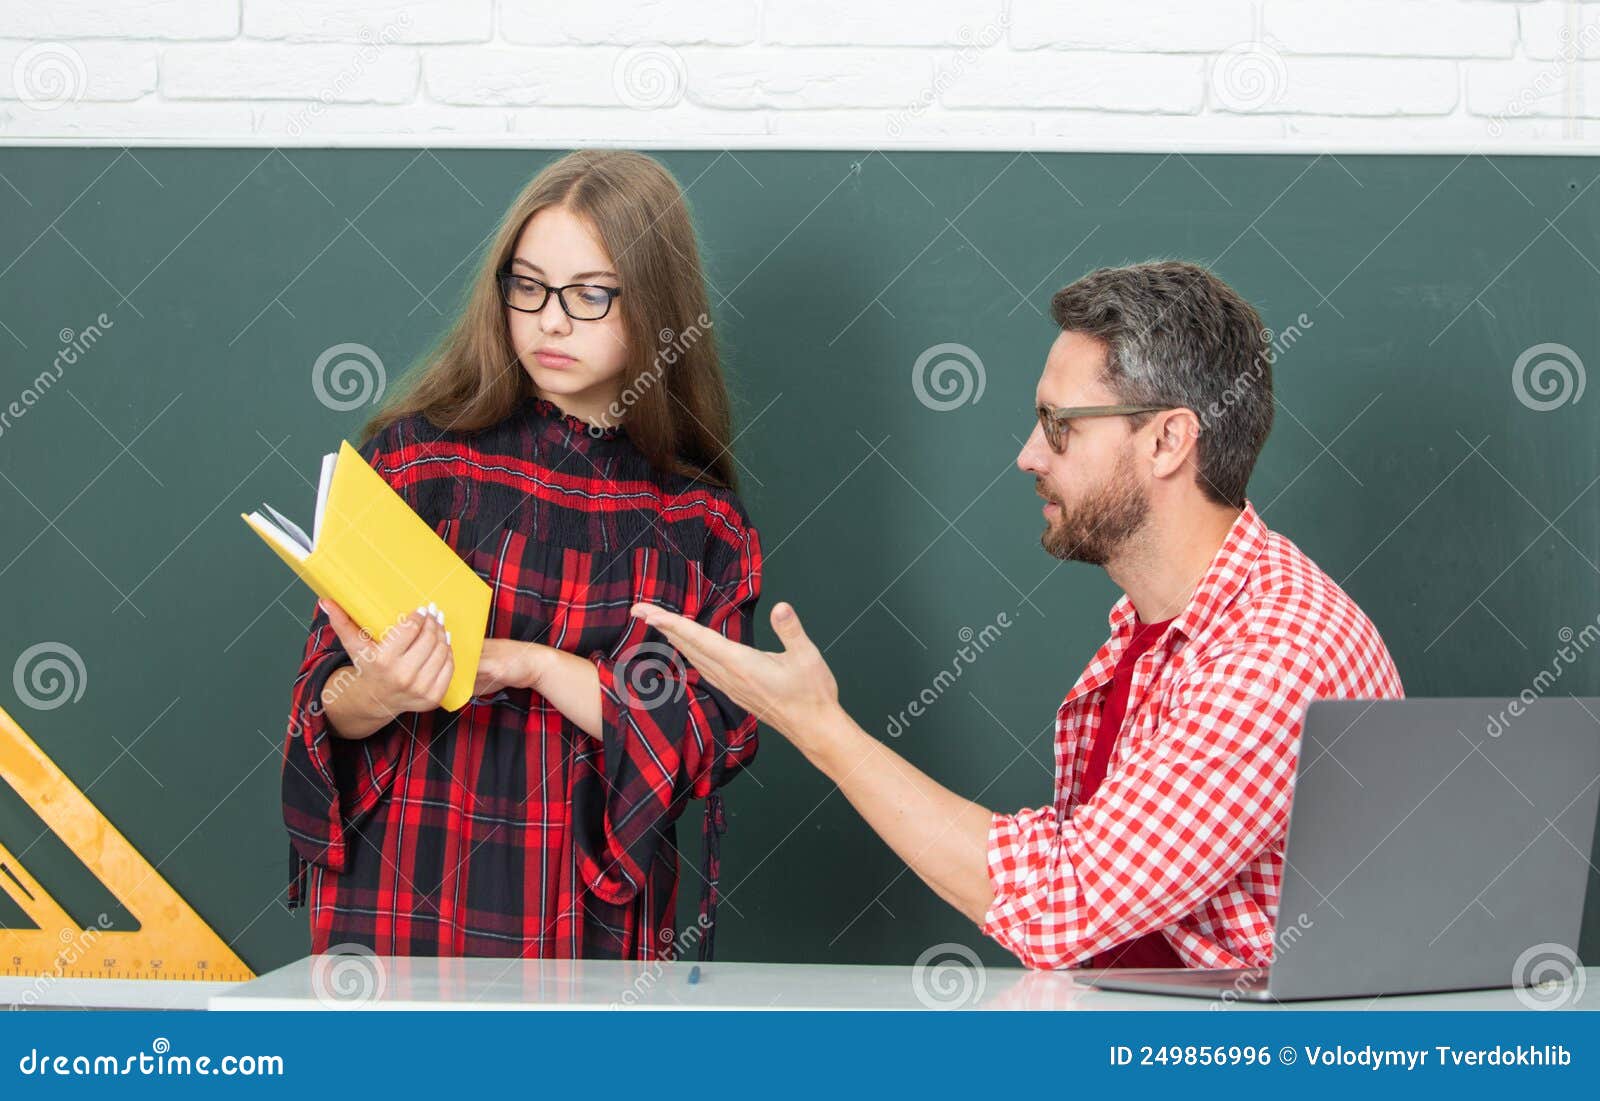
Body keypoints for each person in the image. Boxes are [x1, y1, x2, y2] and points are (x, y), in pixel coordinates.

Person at [631, 260, 1405, 970]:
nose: (1030, 454)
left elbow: (1064, 901)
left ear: (1169, 438)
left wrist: (821, 728)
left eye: (1060, 423)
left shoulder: (1277, 649)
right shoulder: (1154, 633)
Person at [280, 149, 761, 959]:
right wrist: (382, 687)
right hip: (398, 910)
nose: (551, 321)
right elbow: (320, 708)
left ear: (656, 301)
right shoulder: (417, 462)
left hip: (591, 935)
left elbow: (712, 738)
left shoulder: (701, 521)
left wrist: (535, 665)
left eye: (590, 295)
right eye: (528, 287)